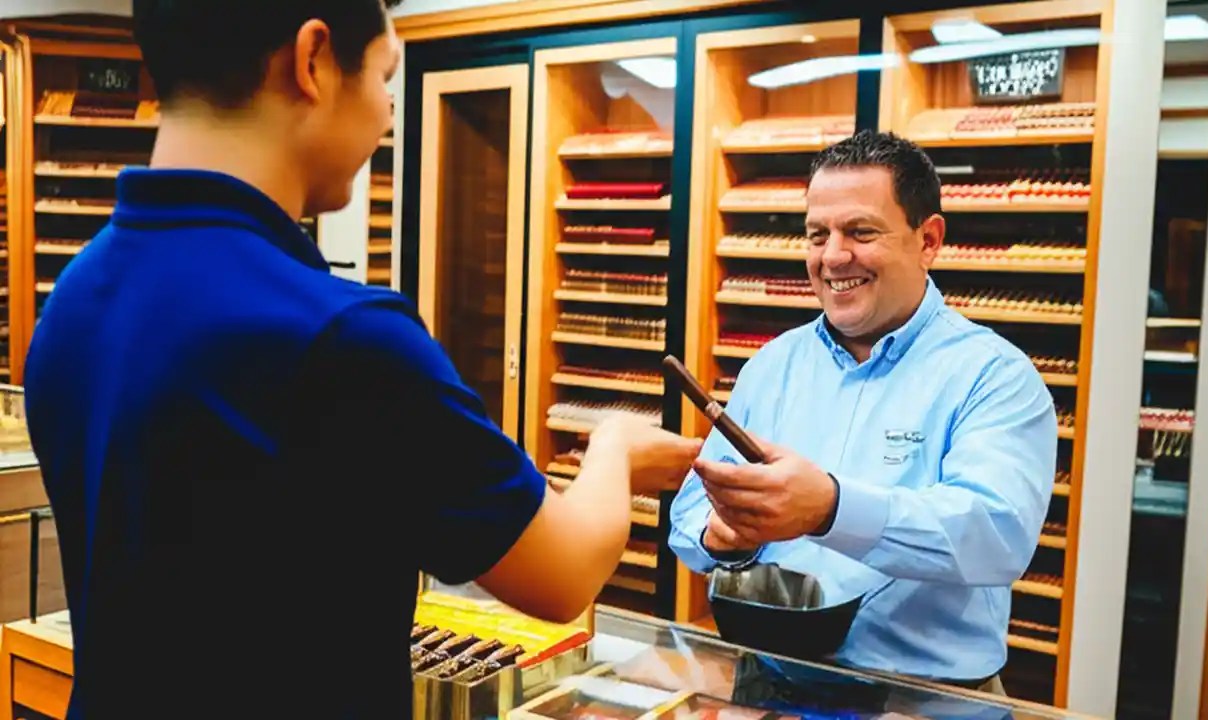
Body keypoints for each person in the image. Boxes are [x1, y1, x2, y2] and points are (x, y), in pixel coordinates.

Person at [23, 2, 701, 718]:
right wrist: (615, 449)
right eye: (385, 77)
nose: (387, 115)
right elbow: (563, 575)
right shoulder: (343, 337)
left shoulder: (76, 296)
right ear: (312, 59)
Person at [669, 130, 1057, 693]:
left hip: (924, 701)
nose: (833, 257)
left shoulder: (994, 376)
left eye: (860, 232)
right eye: (817, 235)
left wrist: (829, 509)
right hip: (767, 684)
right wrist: (722, 534)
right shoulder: (771, 367)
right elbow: (687, 523)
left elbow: (994, 536)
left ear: (928, 240)